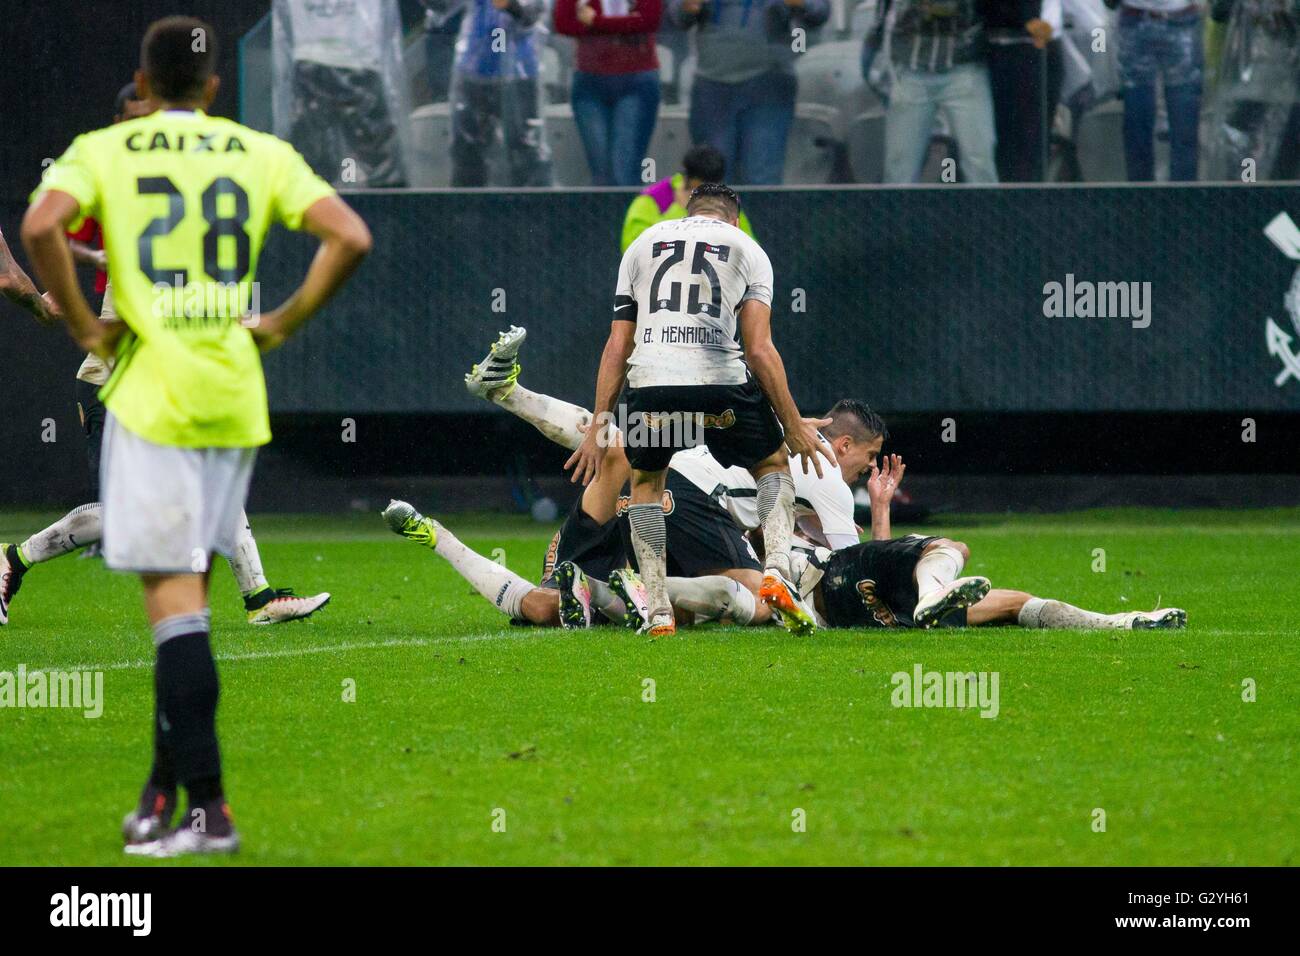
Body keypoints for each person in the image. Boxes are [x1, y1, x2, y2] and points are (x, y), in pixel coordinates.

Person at [22, 16, 371, 856]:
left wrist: (83, 326)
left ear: (142, 83)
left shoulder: (108, 149)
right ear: (214, 88)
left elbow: (41, 229)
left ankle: (209, 813)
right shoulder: (256, 151)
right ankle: (159, 792)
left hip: (153, 398)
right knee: (189, 610)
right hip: (233, 398)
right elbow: (349, 236)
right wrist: (283, 320)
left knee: (174, 614)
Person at [1, 84, 331, 631]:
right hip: (111, 380)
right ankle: (15, 558)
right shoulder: (134, 210)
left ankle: (260, 598)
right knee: (131, 513)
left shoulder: (173, 224)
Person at [565, 183, 834, 637]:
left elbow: (617, 344)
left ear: (688, 212)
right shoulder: (748, 249)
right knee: (771, 463)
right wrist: (792, 425)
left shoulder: (641, 245)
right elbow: (759, 349)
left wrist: (599, 425)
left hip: (651, 383)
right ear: (732, 218)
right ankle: (776, 567)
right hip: (721, 382)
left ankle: (659, 612)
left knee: (647, 482)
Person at [670, 0, 830, 185]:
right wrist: (686, 7)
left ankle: (761, 215)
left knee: (762, 179)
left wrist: (802, 4)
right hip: (712, 90)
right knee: (713, 181)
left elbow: (820, 12)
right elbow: (676, 18)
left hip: (769, 87)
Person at [273, 0, 409, 187]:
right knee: (321, 162)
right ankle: (351, 195)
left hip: (347, 61)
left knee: (349, 160)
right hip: (337, 61)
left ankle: (352, 191)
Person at [866, 0, 1000, 184]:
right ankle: (898, 212)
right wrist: (872, 46)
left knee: (980, 160)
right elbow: (884, 11)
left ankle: (989, 212)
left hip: (964, 67)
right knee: (899, 165)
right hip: (911, 68)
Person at [428, 0, 553, 186]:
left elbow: (533, 16)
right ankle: (468, 209)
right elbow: (441, 7)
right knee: (467, 151)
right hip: (473, 72)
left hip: (518, 75)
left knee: (524, 149)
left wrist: (511, 7)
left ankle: (530, 208)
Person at [553, 0, 664, 186]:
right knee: (601, 172)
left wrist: (596, 22)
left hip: (635, 81)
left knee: (625, 170)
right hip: (590, 82)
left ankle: (630, 213)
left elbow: (649, 21)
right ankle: (605, 214)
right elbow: (563, 23)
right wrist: (623, 23)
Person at [1108, 0, 1205, 181]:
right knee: (1138, 124)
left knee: (1183, 125)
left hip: (1175, 18)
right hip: (1138, 19)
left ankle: (1180, 200)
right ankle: (1143, 201)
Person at [620, 143, 754, 251]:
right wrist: (680, 209)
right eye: (699, 189)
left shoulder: (725, 202)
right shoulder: (652, 200)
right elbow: (633, 249)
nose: (705, 196)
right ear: (688, 179)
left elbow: (751, 250)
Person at [984, 0, 1063, 182]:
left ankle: (1029, 202)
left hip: (1044, 47)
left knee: (1035, 140)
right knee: (1001, 140)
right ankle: (1000, 203)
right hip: (1003, 44)